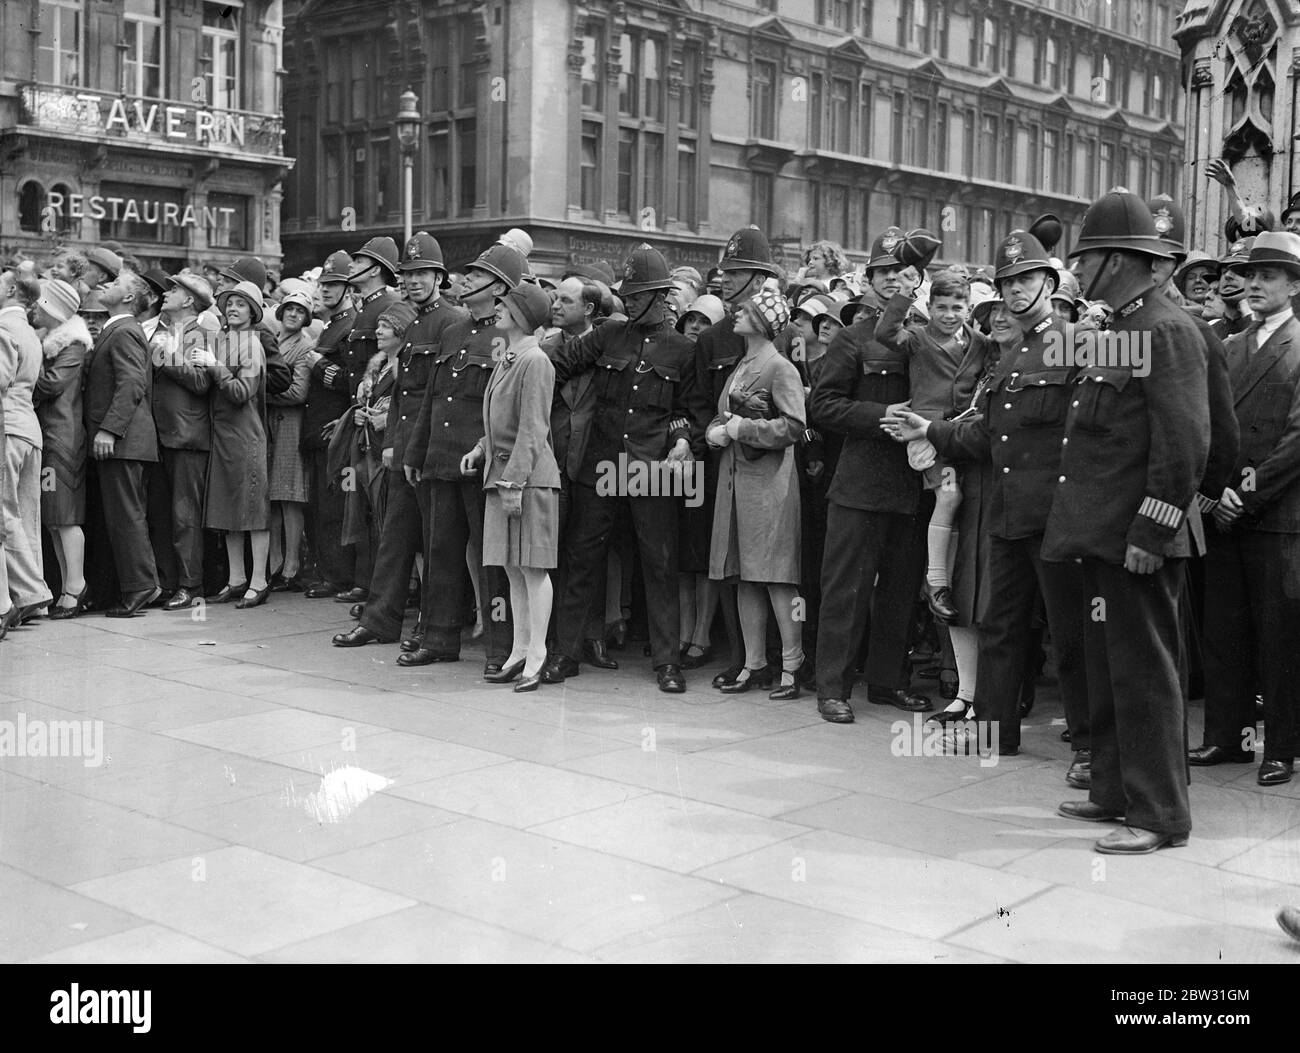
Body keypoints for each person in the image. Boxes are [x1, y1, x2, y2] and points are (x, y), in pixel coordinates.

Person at [886, 234, 1090, 774]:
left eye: (1026, 279)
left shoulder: (1074, 345)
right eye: (1007, 283)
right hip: (1006, 513)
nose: (1016, 290)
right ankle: (996, 734)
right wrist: (927, 426)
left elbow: (1090, 435)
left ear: (1048, 283)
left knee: (1070, 633)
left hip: (1054, 516)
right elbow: (986, 434)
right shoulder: (1010, 355)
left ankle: (1092, 747)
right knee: (1000, 625)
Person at [1050, 188, 1209, 854]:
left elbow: (1185, 441)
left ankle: (1160, 813)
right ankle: (1115, 791)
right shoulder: (1120, 327)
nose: (1077, 271)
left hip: (1136, 540)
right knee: (1114, 669)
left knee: (1146, 674)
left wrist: (1152, 530)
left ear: (1116, 259)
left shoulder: (1165, 329)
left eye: (1085, 259)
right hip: (1104, 537)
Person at [543, 244, 708, 693]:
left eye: (637, 295)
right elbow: (557, 365)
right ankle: (566, 653)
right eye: (627, 295)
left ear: (659, 296)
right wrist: (559, 413)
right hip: (600, 465)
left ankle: (666, 662)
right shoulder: (608, 335)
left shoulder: (683, 349)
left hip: (650, 470)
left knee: (659, 564)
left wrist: (679, 438)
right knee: (582, 558)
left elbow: (691, 411)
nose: (628, 301)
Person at [809, 227, 930, 724]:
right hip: (859, 483)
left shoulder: (923, 335)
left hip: (911, 482)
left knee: (901, 588)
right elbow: (824, 406)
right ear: (869, 278)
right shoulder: (851, 339)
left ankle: (886, 681)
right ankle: (832, 687)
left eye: (902, 272)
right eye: (884, 272)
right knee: (846, 589)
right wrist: (881, 417)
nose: (891, 280)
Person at [1193, 231, 1300, 787]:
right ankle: (1225, 738)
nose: (1255, 284)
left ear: (1294, 285)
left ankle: (1280, 746)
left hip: (1277, 514)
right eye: (1251, 275)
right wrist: (1219, 493)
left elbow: (1297, 439)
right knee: (1224, 627)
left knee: (1278, 632)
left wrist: (1247, 495)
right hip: (1227, 511)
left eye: (1269, 276)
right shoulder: (1230, 346)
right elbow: (1210, 425)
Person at [334, 233, 468, 657]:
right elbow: (402, 396)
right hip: (404, 449)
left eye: (422, 273)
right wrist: (392, 443)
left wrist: (419, 450)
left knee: (436, 545)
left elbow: (439, 396)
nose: (414, 280)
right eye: (408, 274)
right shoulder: (412, 321)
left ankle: (433, 630)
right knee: (395, 539)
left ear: (439, 276)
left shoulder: (451, 321)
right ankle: (380, 620)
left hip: (430, 451)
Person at [388, 242, 514, 671]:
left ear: (498, 287)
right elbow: (432, 398)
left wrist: (485, 452)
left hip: (479, 465)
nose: (466, 280)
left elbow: (503, 407)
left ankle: (500, 649)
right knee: (440, 552)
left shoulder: (507, 337)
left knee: (490, 560)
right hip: (441, 460)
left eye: (476, 276)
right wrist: (416, 450)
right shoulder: (454, 329)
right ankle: (440, 639)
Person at [706, 288, 806, 699]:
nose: (735, 313)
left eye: (745, 311)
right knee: (747, 577)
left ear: (764, 322)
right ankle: (754, 663)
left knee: (778, 577)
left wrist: (741, 430)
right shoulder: (742, 364)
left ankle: (793, 665)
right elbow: (726, 415)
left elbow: (795, 427)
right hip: (737, 483)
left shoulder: (780, 368)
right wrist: (717, 430)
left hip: (770, 488)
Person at [462, 282, 561, 692]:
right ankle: (520, 650)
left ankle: (536, 656)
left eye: (506, 304)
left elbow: (534, 426)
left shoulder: (534, 360)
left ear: (522, 315)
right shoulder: (511, 356)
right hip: (505, 476)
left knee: (533, 570)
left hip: (527, 479)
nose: (498, 308)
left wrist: (514, 479)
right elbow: (505, 419)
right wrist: (482, 448)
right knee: (513, 569)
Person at [876, 271, 980, 625]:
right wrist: (905, 294)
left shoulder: (979, 342)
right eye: (942, 308)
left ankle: (942, 582)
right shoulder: (918, 338)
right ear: (930, 308)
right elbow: (885, 333)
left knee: (960, 508)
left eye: (958, 307)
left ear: (969, 308)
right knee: (949, 497)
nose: (949, 315)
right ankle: (937, 583)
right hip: (927, 435)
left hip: (964, 432)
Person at [84, 267, 161, 616]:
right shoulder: (119, 330)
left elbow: (132, 385)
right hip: (127, 441)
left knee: (126, 514)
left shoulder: (124, 331)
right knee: (122, 513)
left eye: (115, 283)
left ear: (129, 297)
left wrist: (109, 430)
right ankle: (133, 585)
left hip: (124, 441)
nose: (106, 285)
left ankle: (141, 586)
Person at [543, 275, 612, 669]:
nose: (555, 306)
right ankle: (556, 642)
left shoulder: (607, 345)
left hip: (595, 462)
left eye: (565, 301)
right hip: (555, 459)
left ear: (588, 308)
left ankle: (593, 637)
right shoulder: (545, 348)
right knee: (554, 554)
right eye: (554, 299)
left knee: (591, 555)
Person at [193, 280, 271, 610]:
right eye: (230, 302)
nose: (233, 308)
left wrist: (213, 366)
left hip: (245, 438)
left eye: (241, 303)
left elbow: (242, 393)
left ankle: (259, 581)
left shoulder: (252, 345)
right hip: (226, 436)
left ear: (253, 311)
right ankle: (237, 578)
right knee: (229, 510)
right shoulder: (224, 341)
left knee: (252, 511)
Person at [146, 271, 215, 611]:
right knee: (163, 514)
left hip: (187, 437)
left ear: (188, 300)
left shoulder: (200, 334)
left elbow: (202, 382)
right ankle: (170, 582)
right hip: (160, 434)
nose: (166, 293)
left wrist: (164, 356)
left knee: (184, 515)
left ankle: (190, 585)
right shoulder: (162, 332)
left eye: (173, 289)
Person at [301, 250, 360, 598]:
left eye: (334, 284)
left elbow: (349, 381)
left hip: (334, 429)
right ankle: (330, 573)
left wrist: (316, 364)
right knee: (321, 507)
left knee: (334, 508)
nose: (325, 290)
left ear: (347, 288)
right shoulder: (329, 324)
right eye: (323, 283)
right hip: (320, 427)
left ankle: (340, 576)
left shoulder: (350, 325)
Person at [30, 280, 90, 619]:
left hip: (61, 438)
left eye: (41, 305)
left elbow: (52, 384)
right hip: (54, 435)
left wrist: (27, 369)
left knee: (64, 515)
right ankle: (70, 586)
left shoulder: (73, 346)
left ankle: (76, 586)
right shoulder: (60, 344)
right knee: (55, 518)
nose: (35, 309)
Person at [0, 271, 51, 625]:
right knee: (26, 516)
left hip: (8, 428)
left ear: (11, 290)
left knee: (5, 514)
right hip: (28, 429)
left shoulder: (4, 328)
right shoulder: (28, 332)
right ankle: (34, 599)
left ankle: (31, 592)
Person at [266, 281, 315, 589]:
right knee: (271, 496)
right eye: (290, 309)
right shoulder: (271, 339)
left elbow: (298, 392)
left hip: (288, 423)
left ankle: (292, 564)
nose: (293, 314)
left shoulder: (304, 346)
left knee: (289, 495)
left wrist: (259, 395)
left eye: (300, 311)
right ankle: (274, 562)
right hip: (269, 423)